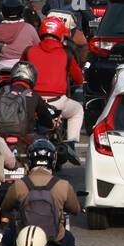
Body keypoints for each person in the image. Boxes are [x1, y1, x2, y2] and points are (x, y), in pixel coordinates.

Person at [0, 138, 81, 246]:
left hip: (24, 239)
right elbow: (75, 209)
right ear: (53, 161)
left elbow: (5, 207)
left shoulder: (19, 185)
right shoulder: (63, 185)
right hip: (54, 240)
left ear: (30, 160)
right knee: (69, 239)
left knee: (7, 237)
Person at [19, 16, 84, 164]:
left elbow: (20, 71)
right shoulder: (66, 53)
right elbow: (79, 79)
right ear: (61, 35)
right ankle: (71, 144)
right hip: (58, 102)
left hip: (33, 101)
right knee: (77, 110)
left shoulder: (29, 51)